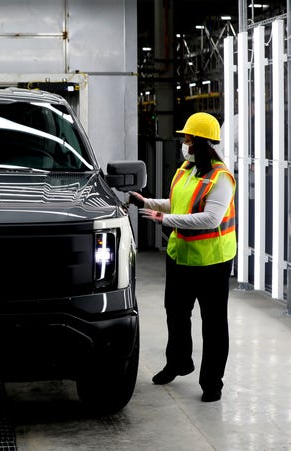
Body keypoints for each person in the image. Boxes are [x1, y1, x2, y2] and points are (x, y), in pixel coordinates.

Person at [129, 112, 236, 402]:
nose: (183, 143)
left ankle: (212, 382)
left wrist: (164, 220)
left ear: (201, 143)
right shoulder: (186, 170)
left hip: (212, 262)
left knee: (214, 324)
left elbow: (210, 218)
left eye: (187, 139)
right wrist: (147, 202)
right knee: (176, 314)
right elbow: (176, 204)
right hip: (180, 257)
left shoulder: (221, 178)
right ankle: (178, 362)